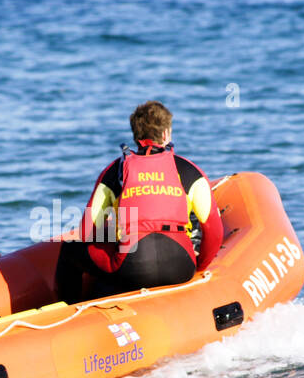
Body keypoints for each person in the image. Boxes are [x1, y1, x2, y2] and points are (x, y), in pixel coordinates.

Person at [55, 101, 224, 304]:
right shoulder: (189, 170)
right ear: (165, 135)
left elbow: (87, 231)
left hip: (134, 269)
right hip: (181, 267)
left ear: (135, 135)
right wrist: (201, 265)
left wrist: (114, 240)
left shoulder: (115, 171)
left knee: (71, 248)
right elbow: (214, 231)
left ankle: (70, 310)